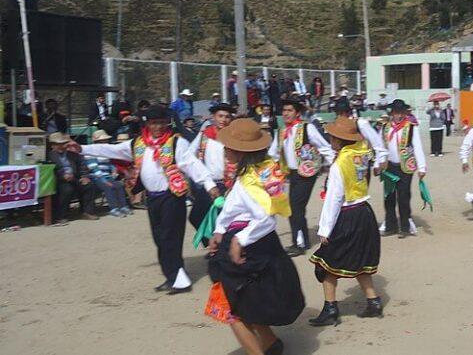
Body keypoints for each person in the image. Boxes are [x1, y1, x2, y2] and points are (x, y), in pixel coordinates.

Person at [73, 105, 220, 294]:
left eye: (161, 123)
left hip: (172, 197)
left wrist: (209, 184)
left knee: (170, 237)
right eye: (153, 123)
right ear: (147, 124)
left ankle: (179, 279)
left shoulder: (176, 143)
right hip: (153, 198)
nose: (158, 127)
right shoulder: (138, 143)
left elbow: (192, 165)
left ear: (167, 123)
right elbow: (111, 150)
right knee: (159, 237)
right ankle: (172, 275)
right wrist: (82, 148)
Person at [207, 118, 305, 355]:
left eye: (227, 146)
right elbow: (231, 209)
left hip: (246, 249)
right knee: (249, 301)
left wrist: (239, 240)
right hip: (261, 245)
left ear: (238, 151)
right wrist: (219, 231)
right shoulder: (262, 172)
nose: (224, 150)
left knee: (232, 309)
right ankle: (270, 342)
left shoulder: (249, 182)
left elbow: (265, 218)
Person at [308, 117, 383, 326]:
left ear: (339, 139)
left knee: (327, 263)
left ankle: (330, 308)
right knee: (360, 262)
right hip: (365, 213)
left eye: (332, 136)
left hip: (348, 214)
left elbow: (334, 198)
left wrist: (324, 229)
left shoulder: (339, 164)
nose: (330, 138)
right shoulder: (360, 155)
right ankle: (373, 301)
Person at [268, 97, 335, 257]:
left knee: (295, 207)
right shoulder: (283, 131)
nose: (286, 113)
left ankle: (299, 243)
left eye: (290, 110)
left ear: (297, 112)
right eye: (284, 111)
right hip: (292, 173)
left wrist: (335, 165)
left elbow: (324, 146)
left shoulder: (307, 128)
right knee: (294, 207)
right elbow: (274, 153)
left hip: (306, 173)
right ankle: (300, 240)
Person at [375, 99, 426, 238]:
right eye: (396, 113)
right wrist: (377, 164)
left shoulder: (411, 128)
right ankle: (390, 225)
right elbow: (380, 148)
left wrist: (422, 167)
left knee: (404, 196)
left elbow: (418, 147)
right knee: (389, 197)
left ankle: (405, 225)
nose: (399, 115)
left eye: (401, 112)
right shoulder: (385, 128)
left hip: (405, 166)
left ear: (404, 113)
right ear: (392, 113)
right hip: (389, 166)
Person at [187, 103, 236, 245]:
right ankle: (212, 245)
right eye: (220, 116)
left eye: (227, 117)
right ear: (213, 117)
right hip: (209, 184)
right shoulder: (205, 135)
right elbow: (189, 154)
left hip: (228, 184)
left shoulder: (233, 136)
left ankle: (222, 250)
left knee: (223, 220)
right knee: (195, 216)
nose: (223, 120)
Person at [48, 132, 98, 223]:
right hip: (60, 180)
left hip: (75, 177)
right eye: (58, 144)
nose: (62, 146)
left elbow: (82, 166)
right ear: (53, 145)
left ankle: (87, 212)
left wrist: (84, 176)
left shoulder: (73, 155)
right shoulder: (49, 156)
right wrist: (62, 176)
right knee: (66, 189)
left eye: (63, 144)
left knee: (88, 185)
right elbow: (51, 170)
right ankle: (61, 215)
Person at [333, 97, 388, 178]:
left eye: (341, 113)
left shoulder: (360, 123)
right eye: (337, 113)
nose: (339, 116)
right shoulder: (337, 126)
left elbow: (377, 144)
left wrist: (378, 163)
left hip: (360, 164)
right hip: (342, 164)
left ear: (348, 112)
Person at [85, 130, 131, 218]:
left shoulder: (105, 151)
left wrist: (114, 170)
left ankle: (123, 206)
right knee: (108, 186)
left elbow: (110, 164)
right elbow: (94, 168)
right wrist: (103, 179)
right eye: (103, 141)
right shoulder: (90, 152)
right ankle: (113, 208)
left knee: (119, 185)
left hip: (107, 175)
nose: (105, 142)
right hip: (96, 177)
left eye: (106, 140)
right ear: (97, 142)